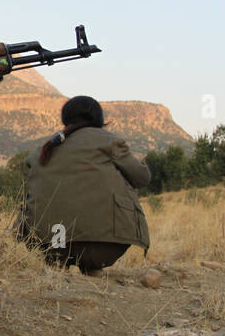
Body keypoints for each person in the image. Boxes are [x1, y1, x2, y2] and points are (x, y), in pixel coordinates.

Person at [20, 95, 151, 275]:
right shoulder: (109, 141)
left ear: (65, 119)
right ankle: (92, 268)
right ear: (99, 118)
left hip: (51, 246)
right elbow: (142, 178)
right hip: (104, 246)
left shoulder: (44, 148)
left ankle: (60, 267)